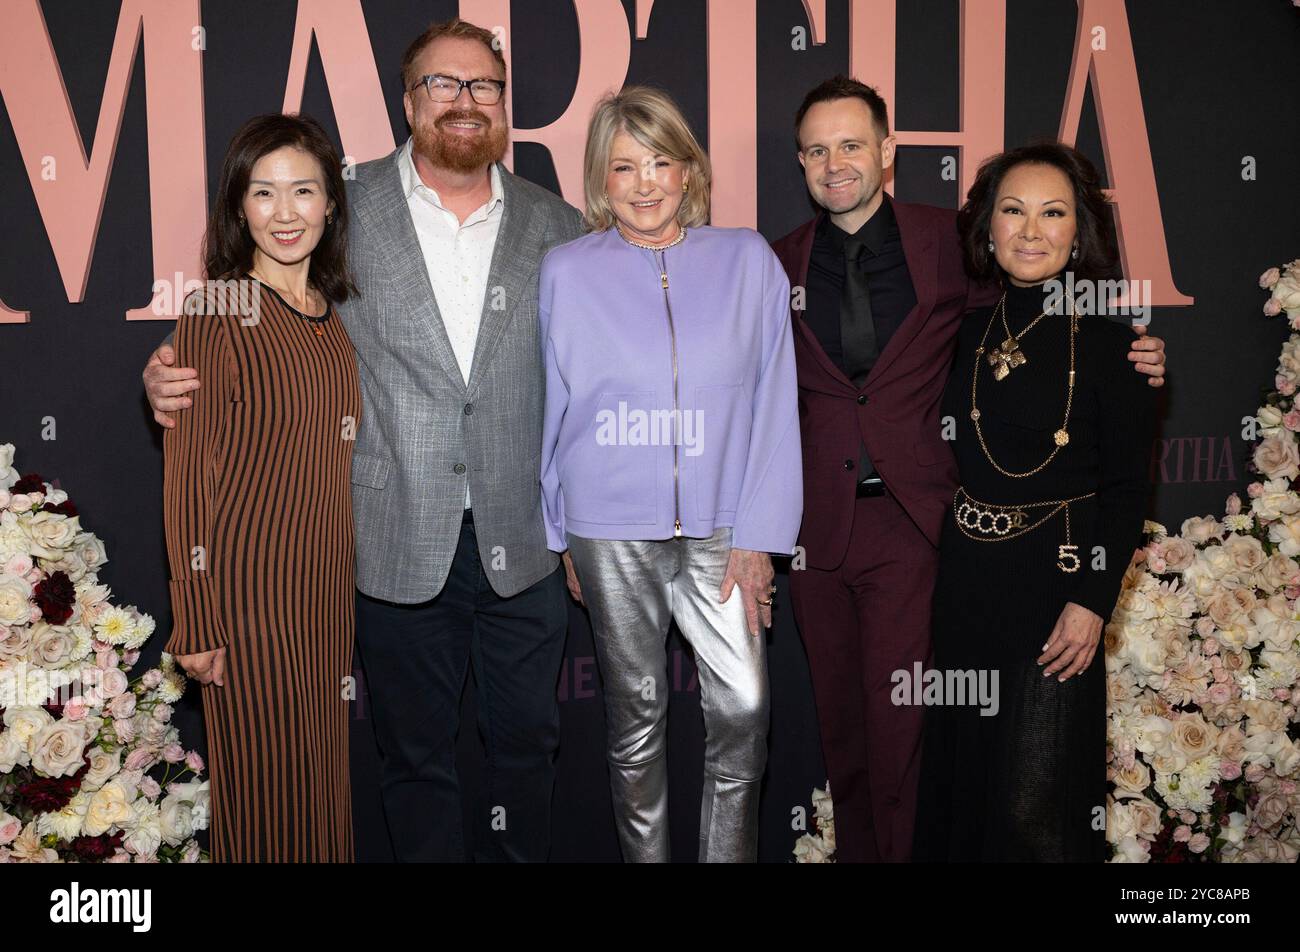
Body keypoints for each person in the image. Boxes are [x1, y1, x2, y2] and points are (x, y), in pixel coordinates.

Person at [145, 18, 584, 862]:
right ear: (407, 100)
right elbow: (256, 298)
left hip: (524, 541)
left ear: (503, 103)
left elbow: (595, 377)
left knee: (528, 753)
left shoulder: (559, 225)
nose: (463, 101)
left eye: (482, 85)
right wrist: (163, 367)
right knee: (412, 764)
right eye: (440, 84)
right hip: (388, 541)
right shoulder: (345, 201)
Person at [769, 76, 1167, 862]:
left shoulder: (940, 245)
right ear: (802, 162)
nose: (835, 162)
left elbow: (1056, 312)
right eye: (818, 149)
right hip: (844, 538)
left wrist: (1143, 355)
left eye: (852, 144)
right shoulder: (775, 262)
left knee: (966, 764)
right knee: (864, 742)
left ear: (887, 153)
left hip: (925, 534)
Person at [540, 86, 801, 862]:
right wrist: (560, 535)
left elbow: (774, 403)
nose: (645, 182)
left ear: (690, 171)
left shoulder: (747, 258)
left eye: (661, 161)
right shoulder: (566, 271)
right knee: (636, 717)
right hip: (607, 529)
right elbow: (554, 405)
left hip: (724, 529)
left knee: (746, 710)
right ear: (600, 180)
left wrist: (760, 536)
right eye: (625, 167)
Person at [913, 143, 1156, 861]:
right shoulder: (955, 335)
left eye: (1053, 213)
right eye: (1012, 211)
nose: (1030, 230)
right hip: (967, 587)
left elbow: (1127, 493)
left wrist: (1093, 601)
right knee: (963, 790)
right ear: (988, 229)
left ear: (1078, 231)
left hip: (1060, 593)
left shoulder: (1120, 352)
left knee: (1037, 807)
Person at [163, 113, 359, 861]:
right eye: (263, 193)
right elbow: (187, 477)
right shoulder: (216, 310)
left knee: (321, 791)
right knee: (260, 804)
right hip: (245, 602)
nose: (284, 214)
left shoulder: (329, 319)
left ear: (330, 203)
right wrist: (197, 614)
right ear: (237, 208)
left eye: (303, 191)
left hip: (324, 599)